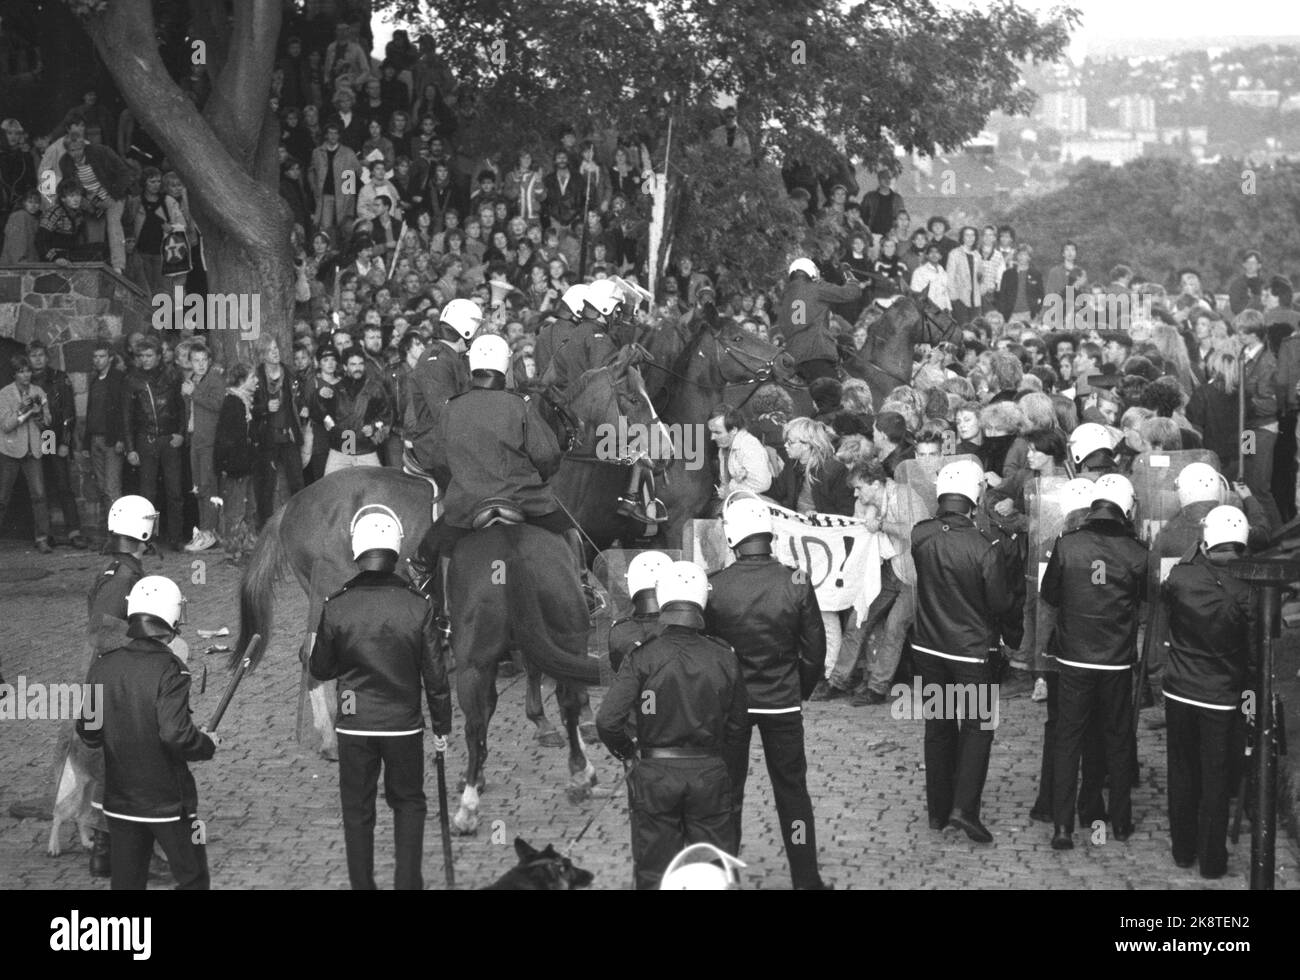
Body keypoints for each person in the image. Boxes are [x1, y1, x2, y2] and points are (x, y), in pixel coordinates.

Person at [308, 508, 451, 890]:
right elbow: (435, 676)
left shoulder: (337, 605)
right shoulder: (418, 605)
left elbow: (320, 670)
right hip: (403, 724)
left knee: (357, 812)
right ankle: (408, 883)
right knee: (408, 804)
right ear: (396, 551)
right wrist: (442, 727)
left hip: (354, 724)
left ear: (357, 550)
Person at [595, 560, 748, 889]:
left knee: (654, 872)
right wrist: (726, 776)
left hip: (655, 775)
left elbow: (608, 721)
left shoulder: (643, 657)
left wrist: (629, 751)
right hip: (709, 774)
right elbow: (738, 729)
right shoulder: (724, 656)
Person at [707, 497, 828, 890]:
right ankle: (806, 879)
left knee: (729, 796)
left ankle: (723, 879)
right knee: (792, 794)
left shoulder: (715, 585)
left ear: (731, 537)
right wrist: (798, 689)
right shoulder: (794, 581)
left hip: (732, 704)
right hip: (782, 700)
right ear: (770, 534)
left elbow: (706, 652)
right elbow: (815, 651)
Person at [77, 576, 218, 890]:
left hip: (119, 800)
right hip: (169, 801)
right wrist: (206, 743)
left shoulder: (103, 666)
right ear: (170, 617)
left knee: (127, 882)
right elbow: (175, 735)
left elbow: (88, 731)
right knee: (193, 877)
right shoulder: (172, 668)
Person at [423, 335, 575, 609]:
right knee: (569, 533)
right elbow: (548, 455)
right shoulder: (520, 404)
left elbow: (438, 461)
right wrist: (540, 477)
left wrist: (460, 485)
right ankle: (582, 589)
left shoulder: (451, 407)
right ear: (505, 368)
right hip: (523, 500)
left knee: (440, 548)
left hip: (467, 505)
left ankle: (442, 610)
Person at [910, 459, 1016, 843]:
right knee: (977, 730)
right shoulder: (984, 546)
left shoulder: (921, 535)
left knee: (938, 729)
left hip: (928, 646)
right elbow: (1000, 602)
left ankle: (938, 811)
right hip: (970, 652)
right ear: (974, 498)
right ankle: (963, 809)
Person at [1041, 474, 1149, 850]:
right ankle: (1119, 821)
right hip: (1116, 660)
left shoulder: (1068, 544)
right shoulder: (1137, 552)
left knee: (1068, 739)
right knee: (1118, 739)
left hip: (1074, 658)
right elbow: (1145, 598)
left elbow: (1050, 595)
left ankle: (1062, 827)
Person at [1162, 505, 1254, 879]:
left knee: (1182, 770)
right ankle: (1212, 858)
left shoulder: (1182, 577)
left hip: (1182, 688)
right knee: (1216, 776)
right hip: (1220, 693)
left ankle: (1183, 848)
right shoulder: (1248, 586)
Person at [80, 493, 157, 877]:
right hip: (118, 686)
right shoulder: (124, 577)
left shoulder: (117, 570)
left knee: (115, 765)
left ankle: (103, 851)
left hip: (108, 683)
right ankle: (129, 849)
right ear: (144, 529)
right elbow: (102, 633)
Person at [123, 336, 185, 550]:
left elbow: (182, 407)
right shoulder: (133, 380)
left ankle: (176, 538)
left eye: (150, 355)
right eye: (142, 356)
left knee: (174, 491)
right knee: (148, 493)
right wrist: (130, 448)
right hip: (146, 440)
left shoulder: (172, 376)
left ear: (159, 356)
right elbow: (127, 416)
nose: (145, 360)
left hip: (169, 440)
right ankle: (149, 539)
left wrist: (180, 433)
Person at [406, 298, 477, 471]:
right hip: (436, 446)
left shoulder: (452, 357)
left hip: (450, 441)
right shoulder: (436, 360)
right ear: (466, 330)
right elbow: (446, 413)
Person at [26, 341, 86, 549]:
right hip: (32, 438)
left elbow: (69, 413)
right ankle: (44, 535)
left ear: (47, 357)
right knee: (39, 489)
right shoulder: (25, 380)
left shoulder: (58, 378)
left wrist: (65, 442)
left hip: (52, 436)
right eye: (33, 356)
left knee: (62, 485)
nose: (38, 359)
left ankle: (74, 532)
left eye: (41, 355)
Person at [777, 257, 863, 382]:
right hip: (816, 353)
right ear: (810, 271)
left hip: (792, 357)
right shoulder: (816, 288)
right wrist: (848, 275)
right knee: (832, 395)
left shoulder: (786, 296)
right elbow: (851, 293)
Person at [0, 354, 54, 552]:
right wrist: (24, 412)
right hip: (11, 450)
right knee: (2, 497)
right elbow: (6, 426)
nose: (26, 375)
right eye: (21, 372)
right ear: (14, 374)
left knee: (39, 495)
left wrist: (40, 413)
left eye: (28, 371)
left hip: (34, 450)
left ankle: (42, 539)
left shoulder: (38, 391)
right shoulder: (5, 394)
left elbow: (48, 422)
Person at [213, 363, 261, 562]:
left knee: (248, 507)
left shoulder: (244, 402)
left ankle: (247, 546)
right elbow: (227, 439)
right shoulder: (234, 403)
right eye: (252, 378)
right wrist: (226, 466)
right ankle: (234, 550)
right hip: (236, 469)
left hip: (244, 467)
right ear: (242, 381)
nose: (257, 381)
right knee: (236, 510)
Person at [181, 343, 224, 552]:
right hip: (194, 439)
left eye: (203, 360)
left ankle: (210, 532)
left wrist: (194, 393)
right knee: (198, 486)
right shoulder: (190, 381)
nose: (200, 364)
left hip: (209, 440)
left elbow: (218, 404)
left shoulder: (214, 380)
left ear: (209, 361)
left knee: (208, 485)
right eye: (196, 360)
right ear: (190, 362)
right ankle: (202, 531)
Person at [323, 348, 393, 474]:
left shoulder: (375, 388)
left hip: (365, 451)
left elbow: (386, 415)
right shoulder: (335, 390)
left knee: (376, 488)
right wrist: (318, 396)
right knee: (329, 488)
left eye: (360, 364)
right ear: (345, 367)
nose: (358, 368)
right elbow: (323, 415)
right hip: (340, 451)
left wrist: (374, 428)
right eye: (353, 364)